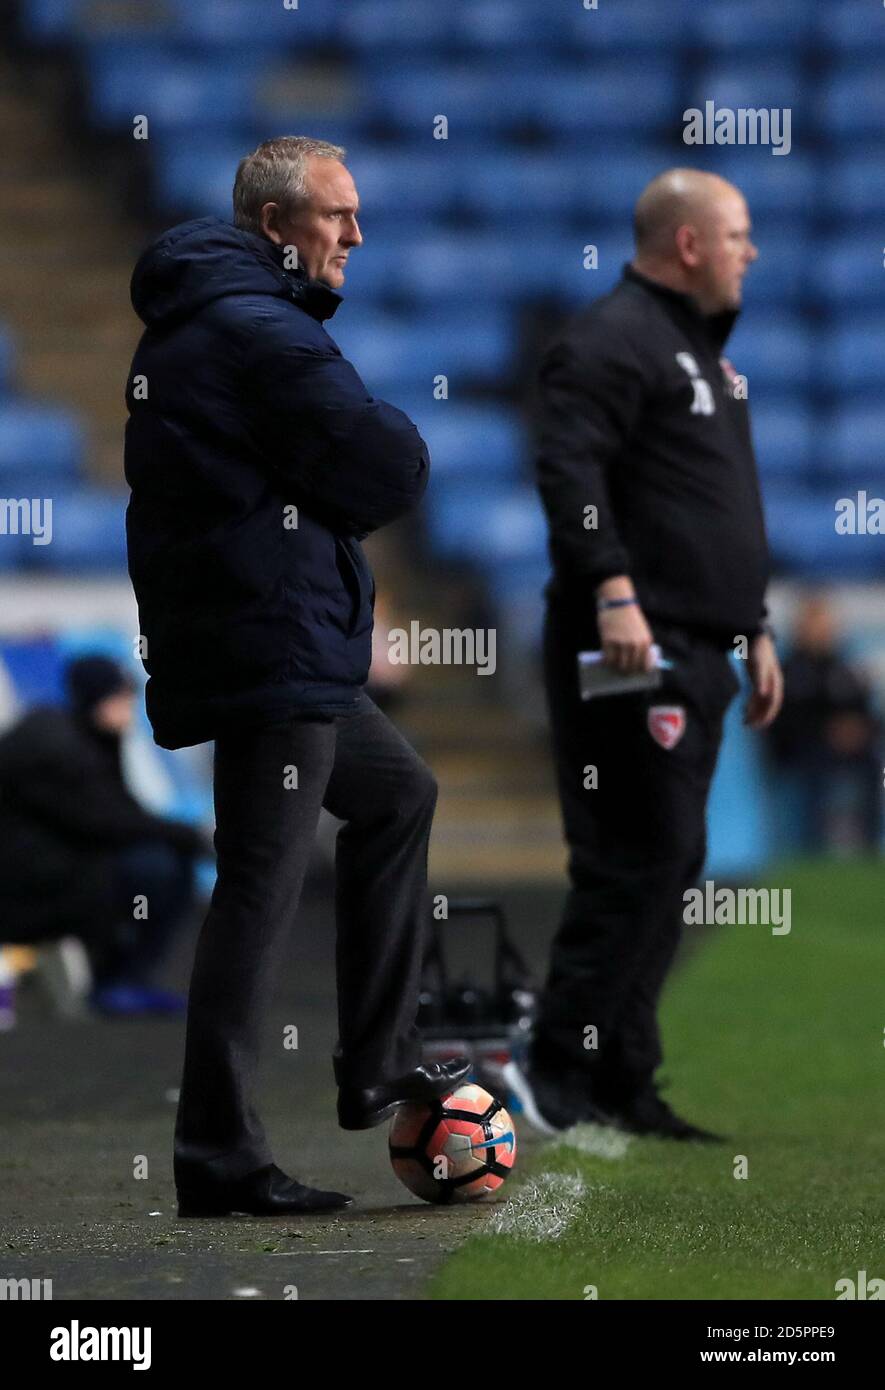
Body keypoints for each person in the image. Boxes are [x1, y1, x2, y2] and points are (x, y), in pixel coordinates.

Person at [124, 136, 469, 1219]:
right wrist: (375, 459)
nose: (356, 236)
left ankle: (376, 1061)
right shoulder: (256, 331)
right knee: (260, 893)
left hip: (276, 640)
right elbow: (387, 463)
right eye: (337, 215)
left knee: (399, 792)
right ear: (276, 226)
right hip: (272, 645)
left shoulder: (209, 322)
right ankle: (219, 1154)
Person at [513, 169, 784, 1139]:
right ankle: (556, 1065)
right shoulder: (612, 340)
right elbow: (567, 469)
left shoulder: (703, 357)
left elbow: (716, 510)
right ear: (688, 244)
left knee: (672, 856)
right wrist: (612, 587)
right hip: (631, 638)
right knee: (640, 852)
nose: (752, 251)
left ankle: (624, 1075)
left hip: (698, 643)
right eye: (739, 234)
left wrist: (753, 624)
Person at [0, 653, 204, 1017]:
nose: (129, 706)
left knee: (158, 861)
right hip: (28, 885)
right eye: (121, 696)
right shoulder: (56, 745)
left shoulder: (84, 737)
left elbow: (114, 815)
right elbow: (102, 821)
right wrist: (191, 837)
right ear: (98, 698)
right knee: (156, 869)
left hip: (48, 872)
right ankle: (120, 981)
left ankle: (120, 980)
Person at [768, 594, 882, 853]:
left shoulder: (844, 667)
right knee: (815, 771)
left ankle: (870, 848)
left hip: (850, 751)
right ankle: (813, 849)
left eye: (826, 621)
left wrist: (858, 730)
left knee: (874, 767)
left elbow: (865, 712)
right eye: (815, 621)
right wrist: (827, 732)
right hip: (803, 752)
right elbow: (781, 721)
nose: (822, 629)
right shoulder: (787, 669)